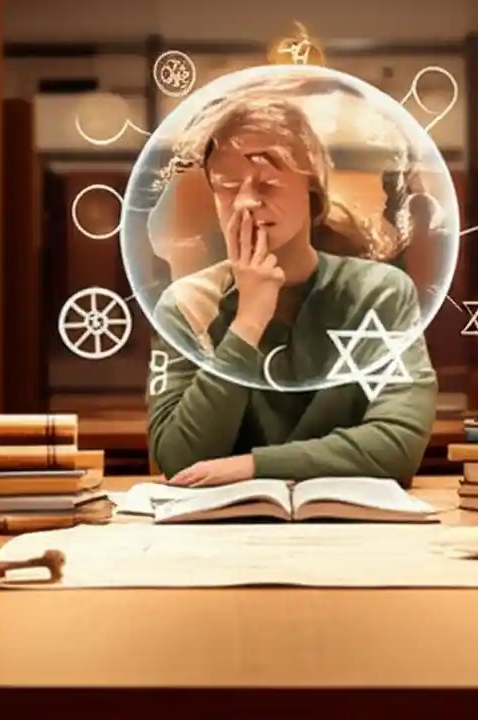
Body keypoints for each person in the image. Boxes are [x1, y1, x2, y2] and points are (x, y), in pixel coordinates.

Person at [145, 79, 439, 488]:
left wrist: (254, 465)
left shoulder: (379, 293)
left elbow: (397, 443)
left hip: (353, 521)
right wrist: (248, 321)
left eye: (268, 185)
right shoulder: (186, 305)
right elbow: (178, 458)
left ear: (312, 191)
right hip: (222, 524)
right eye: (227, 187)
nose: (245, 202)